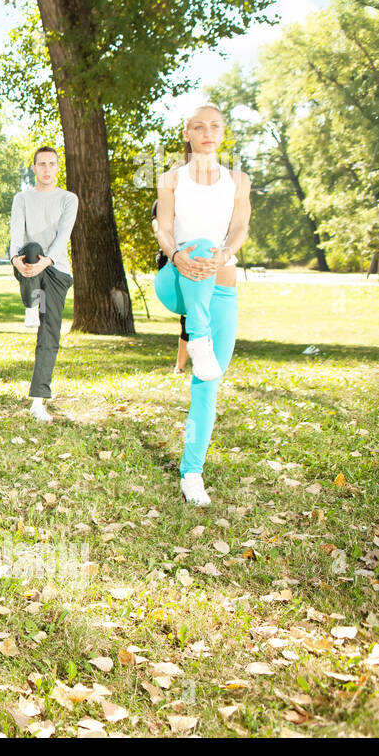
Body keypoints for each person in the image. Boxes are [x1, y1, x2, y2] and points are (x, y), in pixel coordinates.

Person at [153, 104, 251, 508]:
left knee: (208, 383)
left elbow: (241, 226)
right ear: (188, 134)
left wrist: (225, 253)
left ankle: (191, 472)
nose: (207, 131)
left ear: (222, 133)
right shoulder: (170, 179)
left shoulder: (239, 180)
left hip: (221, 290)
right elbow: (165, 227)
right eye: (199, 126)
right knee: (201, 244)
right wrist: (178, 256)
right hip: (176, 280)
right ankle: (197, 335)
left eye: (215, 126)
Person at [10, 146, 78, 422]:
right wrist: (16, 259)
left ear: (57, 168)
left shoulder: (68, 199)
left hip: (56, 270)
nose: (47, 169)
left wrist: (47, 262)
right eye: (42, 164)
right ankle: (31, 304)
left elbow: (64, 235)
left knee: (49, 334)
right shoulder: (22, 198)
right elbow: (16, 230)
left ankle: (38, 401)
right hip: (28, 262)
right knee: (33, 246)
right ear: (34, 168)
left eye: (52, 164)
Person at [151, 199, 190, 373]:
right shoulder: (161, 204)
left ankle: (183, 366)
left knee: (194, 316)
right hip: (173, 262)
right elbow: (158, 230)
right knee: (188, 316)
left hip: (191, 258)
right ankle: (180, 367)